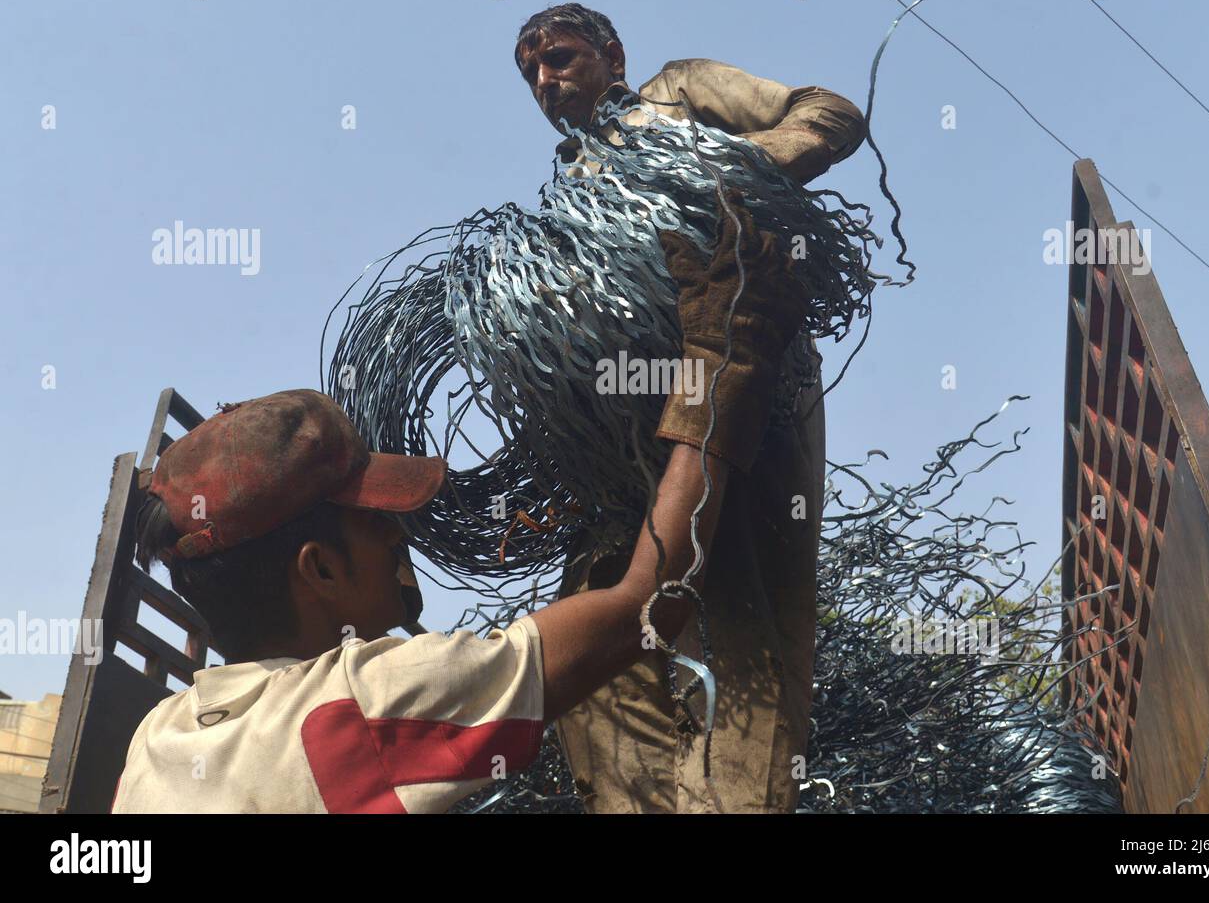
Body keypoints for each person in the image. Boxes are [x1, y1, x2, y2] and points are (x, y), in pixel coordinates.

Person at [111, 193, 807, 813]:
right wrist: (722, 367)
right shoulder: (364, 702)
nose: (398, 537)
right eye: (376, 519)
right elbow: (651, 605)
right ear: (318, 569)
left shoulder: (158, 737)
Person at [515, 2, 866, 812]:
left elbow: (830, 114)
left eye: (561, 57)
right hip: (631, 436)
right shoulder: (572, 183)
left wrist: (727, 180)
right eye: (532, 71)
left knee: (744, 624)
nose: (545, 79)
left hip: (740, 370)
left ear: (612, 55)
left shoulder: (676, 95)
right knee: (608, 625)